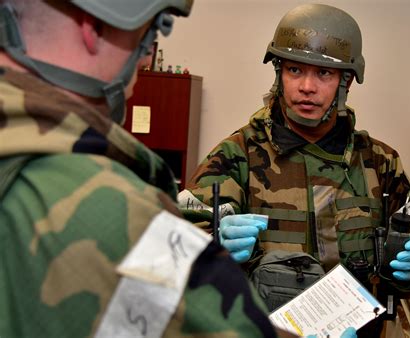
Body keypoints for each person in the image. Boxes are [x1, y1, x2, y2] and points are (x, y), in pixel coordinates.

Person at [0, 1, 339, 337]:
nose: (147, 58)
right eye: (148, 36)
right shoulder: (112, 210)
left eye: (323, 73)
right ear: (93, 28)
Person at [178, 3, 410, 337]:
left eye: (323, 73)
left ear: (347, 81)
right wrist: (214, 243)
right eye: (295, 70)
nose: (307, 87)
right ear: (279, 74)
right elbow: (174, 249)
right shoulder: (237, 156)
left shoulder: (379, 162)